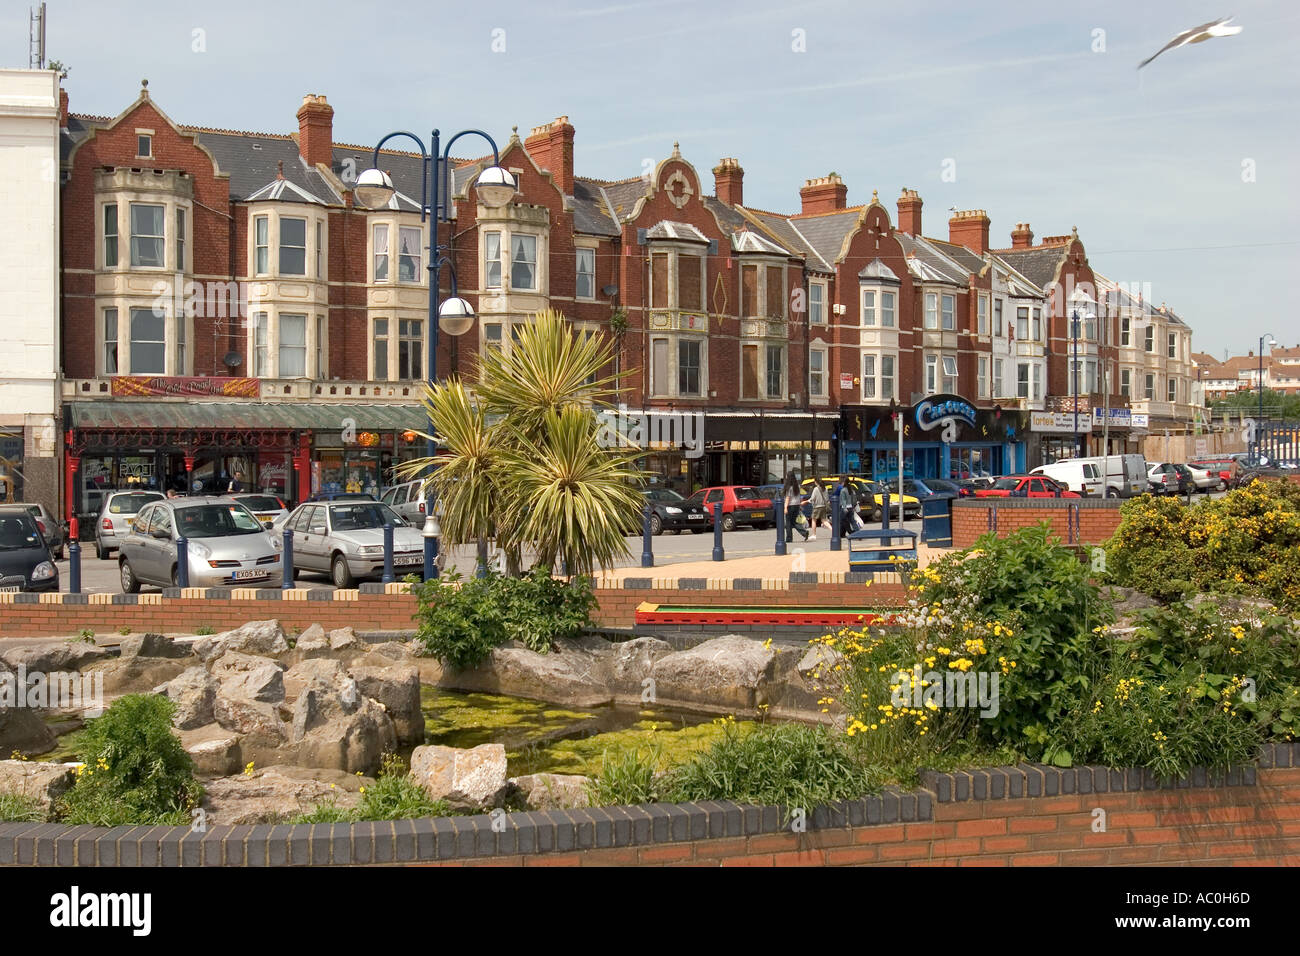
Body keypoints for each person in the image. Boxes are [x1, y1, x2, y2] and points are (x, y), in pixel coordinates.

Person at [783, 475, 808, 543]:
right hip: (796, 505)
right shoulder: (797, 487)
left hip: (790, 506)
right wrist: (799, 505)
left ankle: (789, 538)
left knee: (788, 523)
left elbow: (787, 498)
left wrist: (785, 508)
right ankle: (804, 532)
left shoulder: (789, 488)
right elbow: (799, 497)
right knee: (794, 521)